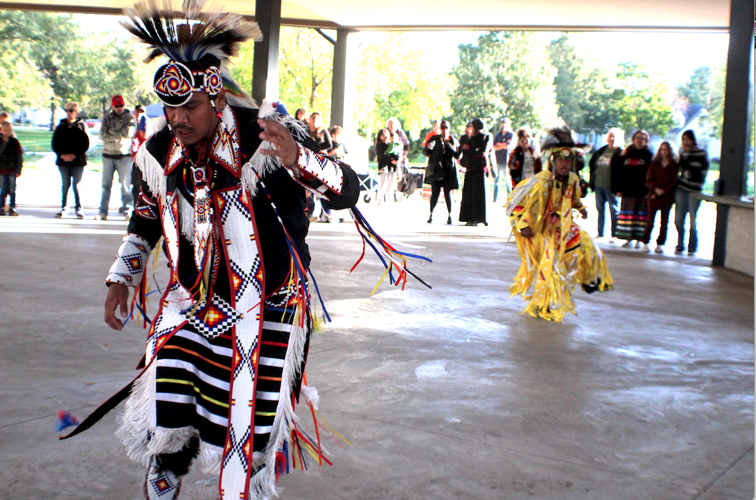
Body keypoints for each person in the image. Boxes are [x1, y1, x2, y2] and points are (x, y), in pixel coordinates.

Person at [60, 6, 360, 500]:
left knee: (250, 431)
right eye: (169, 108)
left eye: (190, 107)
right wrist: (122, 276)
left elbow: (346, 190)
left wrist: (297, 157)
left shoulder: (266, 136)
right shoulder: (157, 153)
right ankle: (164, 479)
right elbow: (145, 219)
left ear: (216, 97)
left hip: (268, 306)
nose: (177, 119)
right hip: (192, 302)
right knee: (169, 402)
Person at [506, 125, 613, 322]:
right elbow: (514, 203)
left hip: (563, 228)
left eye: (568, 160)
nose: (564, 164)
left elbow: (573, 199)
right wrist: (523, 225)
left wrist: (580, 208)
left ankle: (590, 279)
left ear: (573, 163)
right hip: (544, 231)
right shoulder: (541, 181)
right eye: (560, 160)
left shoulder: (572, 179)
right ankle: (541, 304)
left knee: (587, 244)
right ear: (553, 162)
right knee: (550, 267)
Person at [98, 95, 136, 220]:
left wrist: (111, 131)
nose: (119, 108)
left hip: (124, 155)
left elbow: (128, 133)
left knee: (125, 185)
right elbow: (103, 135)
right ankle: (103, 212)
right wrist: (119, 133)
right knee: (106, 185)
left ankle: (127, 210)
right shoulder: (107, 118)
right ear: (112, 106)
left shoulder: (130, 118)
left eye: (121, 106)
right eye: (116, 106)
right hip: (108, 155)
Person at [613, 130, 653, 248]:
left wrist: (649, 190)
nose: (639, 140)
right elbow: (618, 172)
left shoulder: (649, 155)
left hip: (642, 190)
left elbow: (651, 174)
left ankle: (639, 240)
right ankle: (628, 239)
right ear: (633, 139)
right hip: (627, 190)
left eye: (643, 138)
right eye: (637, 137)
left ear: (646, 141)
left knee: (641, 217)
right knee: (628, 216)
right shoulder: (626, 153)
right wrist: (618, 188)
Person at [52, 101, 90, 218]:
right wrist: (61, 155)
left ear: (76, 112)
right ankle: (64, 207)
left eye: (71, 111)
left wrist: (75, 155)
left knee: (77, 185)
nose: (69, 113)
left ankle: (79, 208)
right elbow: (55, 143)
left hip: (78, 161)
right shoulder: (61, 126)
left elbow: (85, 144)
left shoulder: (81, 126)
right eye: (67, 110)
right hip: (63, 161)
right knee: (65, 184)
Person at [675, 130, 709, 255]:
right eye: (683, 139)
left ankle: (692, 245)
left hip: (695, 189)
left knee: (693, 219)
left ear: (693, 140)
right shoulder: (683, 154)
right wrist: (683, 155)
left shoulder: (702, 154)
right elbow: (681, 170)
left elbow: (703, 172)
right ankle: (680, 243)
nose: (685, 142)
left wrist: (692, 176)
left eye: (688, 139)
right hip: (682, 188)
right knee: (678, 219)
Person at [641, 141, 678, 253]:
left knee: (664, 222)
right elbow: (648, 179)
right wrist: (656, 189)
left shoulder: (673, 165)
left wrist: (665, 191)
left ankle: (660, 243)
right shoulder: (655, 164)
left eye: (666, 149)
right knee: (650, 220)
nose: (664, 151)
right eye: (662, 149)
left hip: (667, 197)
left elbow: (674, 181)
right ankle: (645, 242)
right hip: (653, 196)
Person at [423, 120, 459, 224]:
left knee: (448, 193)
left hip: (448, 170)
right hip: (437, 169)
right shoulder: (435, 139)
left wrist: (450, 147)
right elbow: (425, 151)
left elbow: (458, 155)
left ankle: (450, 214)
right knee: (435, 193)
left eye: (446, 127)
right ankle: (431, 214)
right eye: (442, 127)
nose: (444, 130)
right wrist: (428, 147)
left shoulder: (453, 140)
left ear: (449, 128)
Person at [588, 129, 621, 241]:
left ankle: (614, 234)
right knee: (600, 210)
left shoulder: (620, 152)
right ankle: (600, 232)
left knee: (614, 210)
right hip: (598, 185)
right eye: (610, 136)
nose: (612, 138)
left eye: (614, 136)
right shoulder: (601, 151)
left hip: (612, 187)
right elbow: (592, 164)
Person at [458, 118, 490, 226]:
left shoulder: (486, 137)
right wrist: (472, 149)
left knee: (479, 194)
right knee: (469, 193)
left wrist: (472, 149)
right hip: (471, 167)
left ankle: (479, 218)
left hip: (479, 169)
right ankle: (469, 217)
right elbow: (465, 149)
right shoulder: (472, 138)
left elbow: (482, 151)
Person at [0, 120, 22, 216]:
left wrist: (18, 169)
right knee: (3, 189)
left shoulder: (15, 142)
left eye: (9, 130)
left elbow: (19, 156)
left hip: (12, 169)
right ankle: (1, 207)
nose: (7, 132)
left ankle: (12, 207)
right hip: (1, 169)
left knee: (12, 190)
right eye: (5, 130)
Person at [375, 128, 399, 204]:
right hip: (383, 168)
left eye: (386, 135)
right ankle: (379, 204)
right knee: (382, 187)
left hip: (391, 168)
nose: (385, 136)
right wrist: (390, 159)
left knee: (390, 188)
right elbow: (382, 155)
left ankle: (389, 204)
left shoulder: (391, 145)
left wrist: (395, 160)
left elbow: (396, 154)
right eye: (383, 135)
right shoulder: (379, 145)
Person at [492, 118, 513, 202]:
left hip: (506, 161)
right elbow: (494, 147)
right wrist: (502, 145)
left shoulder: (511, 135)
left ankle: (510, 199)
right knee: (496, 181)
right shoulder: (498, 135)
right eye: (502, 123)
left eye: (505, 123)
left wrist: (499, 145)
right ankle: (495, 199)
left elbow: (508, 146)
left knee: (508, 181)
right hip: (497, 160)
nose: (503, 125)